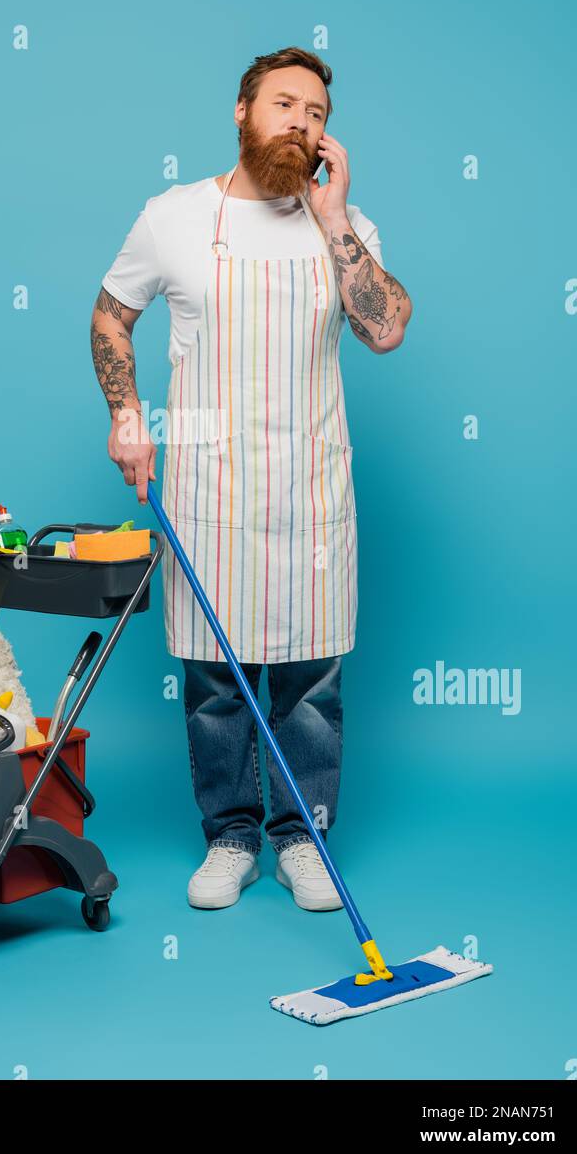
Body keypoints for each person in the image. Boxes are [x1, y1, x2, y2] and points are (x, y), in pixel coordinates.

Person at [90, 47, 412, 912]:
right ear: (242, 111)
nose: (300, 122)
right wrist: (127, 416)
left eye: (316, 113)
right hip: (210, 490)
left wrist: (333, 216)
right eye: (283, 103)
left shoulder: (345, 227)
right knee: (215, 683)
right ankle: (230, 837)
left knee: (310, 683)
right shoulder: (173, 217)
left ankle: (302, 838)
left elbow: (384, 330)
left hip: (310, 489)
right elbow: (111, 317)